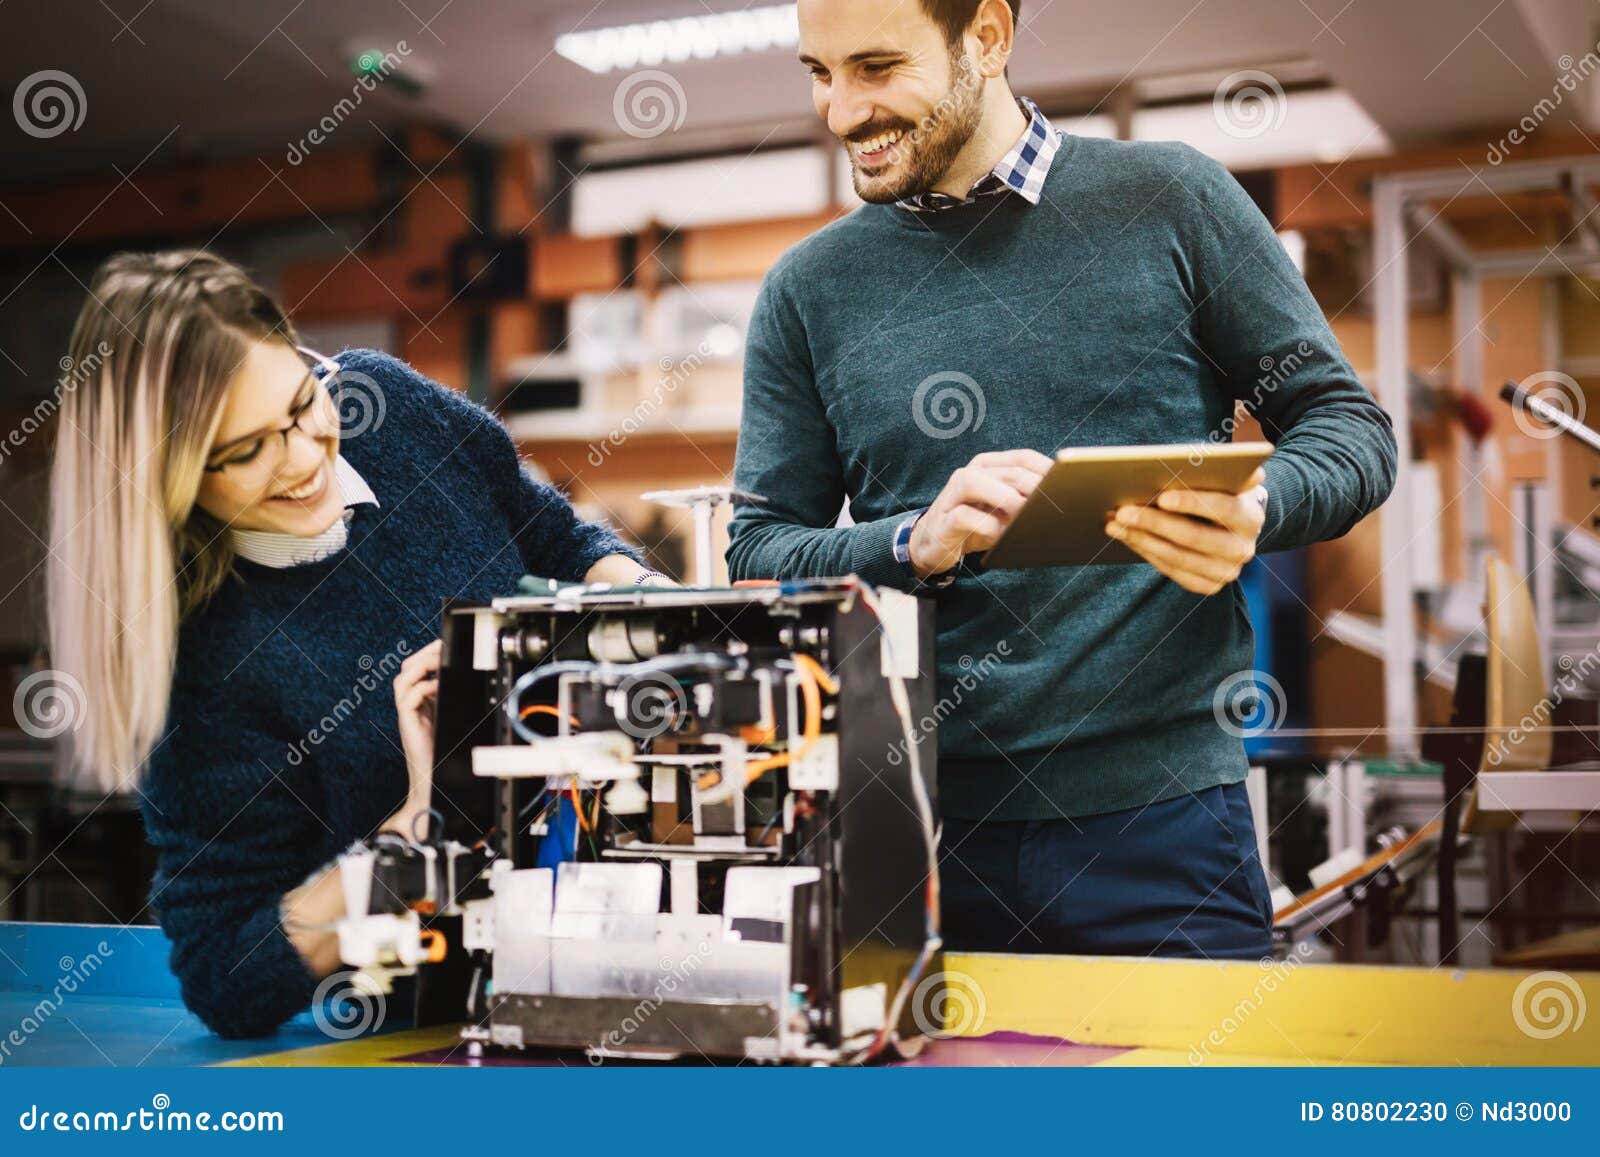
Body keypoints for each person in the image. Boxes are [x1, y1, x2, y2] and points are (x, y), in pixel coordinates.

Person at [727, 0, 1397, 959]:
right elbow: (757, 550)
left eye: (876, 68)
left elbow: (1349, 429)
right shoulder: (807, 289)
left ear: (987, 39)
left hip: (1161, 829)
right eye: (819, 74)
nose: (841, 113)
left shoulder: (1172, 201)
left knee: (1195, 1108)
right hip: (911, 832)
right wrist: (912, 541)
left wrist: (1258, 506)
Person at [47, 250, 662, 1037]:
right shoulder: (201, 670)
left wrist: (677, 625)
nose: (305, 459)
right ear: (166, 477)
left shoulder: (386, 404)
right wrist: (410, 836)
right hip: (451, 1029)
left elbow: (555, 536)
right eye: (245, 452)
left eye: (302, 404)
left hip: (645, 929)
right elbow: (224, 971)